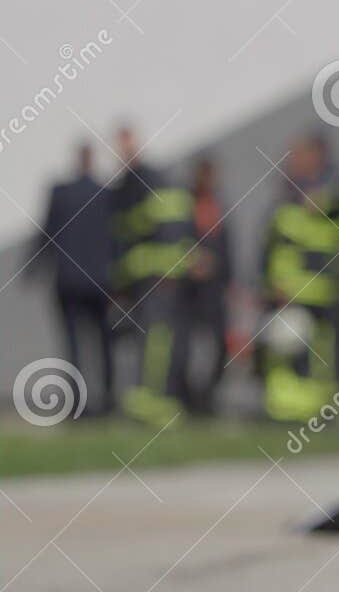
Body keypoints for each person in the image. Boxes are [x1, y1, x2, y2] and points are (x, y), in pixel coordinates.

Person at [108, 124, 195, 426]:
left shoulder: (145, 182)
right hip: (153, 277)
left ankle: (155, 401)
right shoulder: (142, 182)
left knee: (157, 339)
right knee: (154, 338)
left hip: (157, 277)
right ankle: (153, 399)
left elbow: (144, 228)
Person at [259, 135, 339, 425]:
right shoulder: (283, 202)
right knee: (286, 349)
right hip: (290, 297)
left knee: (322, 358)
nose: (292, 162)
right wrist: (271, 287)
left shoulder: (337, 197)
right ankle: (284, 410)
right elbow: (268, 252)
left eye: (298, 155)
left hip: (324, 297)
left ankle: (320, 412)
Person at [30, 142, 115, 415]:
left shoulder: (61, 193)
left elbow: (46, 233)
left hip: (68, 282)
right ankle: (107, 401)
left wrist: (31, 267)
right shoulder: (106, 195)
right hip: (101, 283)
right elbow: (116, 238)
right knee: (103, 344)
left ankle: (77, 407)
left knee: (74, 345)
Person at [180, 157, 233, 414]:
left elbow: (226, 248)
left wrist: (229, 281)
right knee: (188, 346)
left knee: (219, 346)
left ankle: (207, 398)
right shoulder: (185, 206)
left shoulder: (218, 207)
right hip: (190, 292)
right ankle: (188, 399)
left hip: (215, 291)